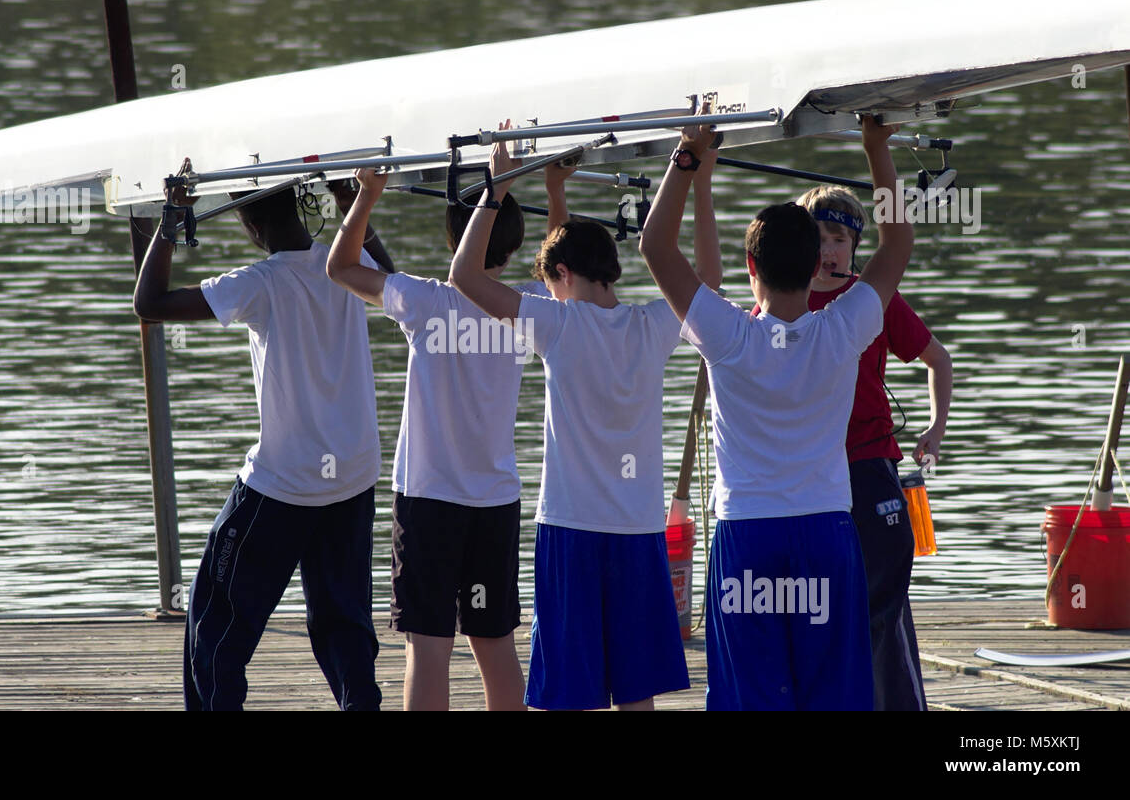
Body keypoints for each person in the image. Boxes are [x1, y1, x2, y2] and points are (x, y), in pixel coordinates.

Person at [639, 115, 915, 710]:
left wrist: (687, 158)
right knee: (833, 696)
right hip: (826, 534)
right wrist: (876, 148)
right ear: (819, 262)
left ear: (750, 270)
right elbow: (896, 246)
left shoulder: (727, 334)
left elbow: (655, 246)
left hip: (749, 538)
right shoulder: (843, 330)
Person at [450, 123, 690, 711]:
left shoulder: (555, 326)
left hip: (572, 532)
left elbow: (464, 275)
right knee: (636, 694)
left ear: (559, 278)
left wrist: (497, 187)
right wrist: (691, 173)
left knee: (568, 694)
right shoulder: (656, 326)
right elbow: (700, 274)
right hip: (637, 533)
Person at [133, 162, 386, 710]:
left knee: (214, 622)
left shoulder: (259, 282)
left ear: (248, 224)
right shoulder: (347, 263)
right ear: (298, 207)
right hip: (354, 474)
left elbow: (148, 304)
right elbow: (395, 282)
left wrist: (170, 219)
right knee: (344, 626)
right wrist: (350, 198)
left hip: (285, 481)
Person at [325, 164, 567, 710]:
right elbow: (562, 267)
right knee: (496, 647)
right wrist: (555, 190)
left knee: (429, 650)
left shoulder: (424, 300)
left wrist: (366, 195)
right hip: (494, 503)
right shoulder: (529, 308)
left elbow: (339, 265)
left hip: (429, 503)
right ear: (516, 245)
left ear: (455, 239)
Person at [740, 185, 952, 711]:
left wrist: (935, 428)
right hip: (811, 484)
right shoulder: (772, 303)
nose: (829, 251)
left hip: (868, 467)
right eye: (818, 237)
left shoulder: (869, 299)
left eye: (841, 239)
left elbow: (938, 359)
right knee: (826, 612)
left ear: (857, 249)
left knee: (884, 607)